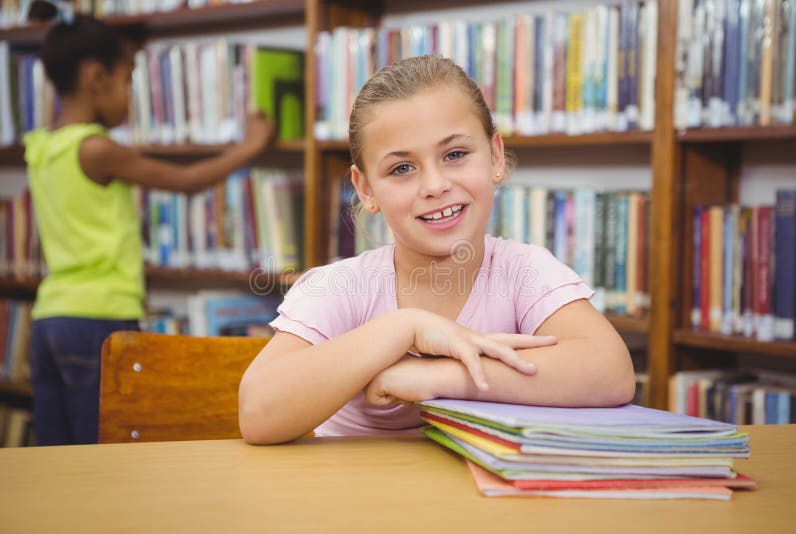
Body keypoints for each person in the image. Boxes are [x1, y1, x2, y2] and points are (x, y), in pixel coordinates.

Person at [238, 55, 634, 445]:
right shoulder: (341, 287)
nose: (434, 184)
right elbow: (258, 414)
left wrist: (440, 377)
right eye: (401, 169)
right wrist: (402, 328)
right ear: (366, 190)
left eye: (455, 155)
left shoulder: (524, 271)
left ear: (496, 156)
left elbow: (609, 371)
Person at [24, 0, 273, 445]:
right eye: (127, 82)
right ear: (95, 78)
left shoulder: (41, 147)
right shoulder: (97, 149)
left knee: (55, 453)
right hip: (98, 319)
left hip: (47, 320)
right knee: (101, 452)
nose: (129, 96)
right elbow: (187, 181)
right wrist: (250, 146)